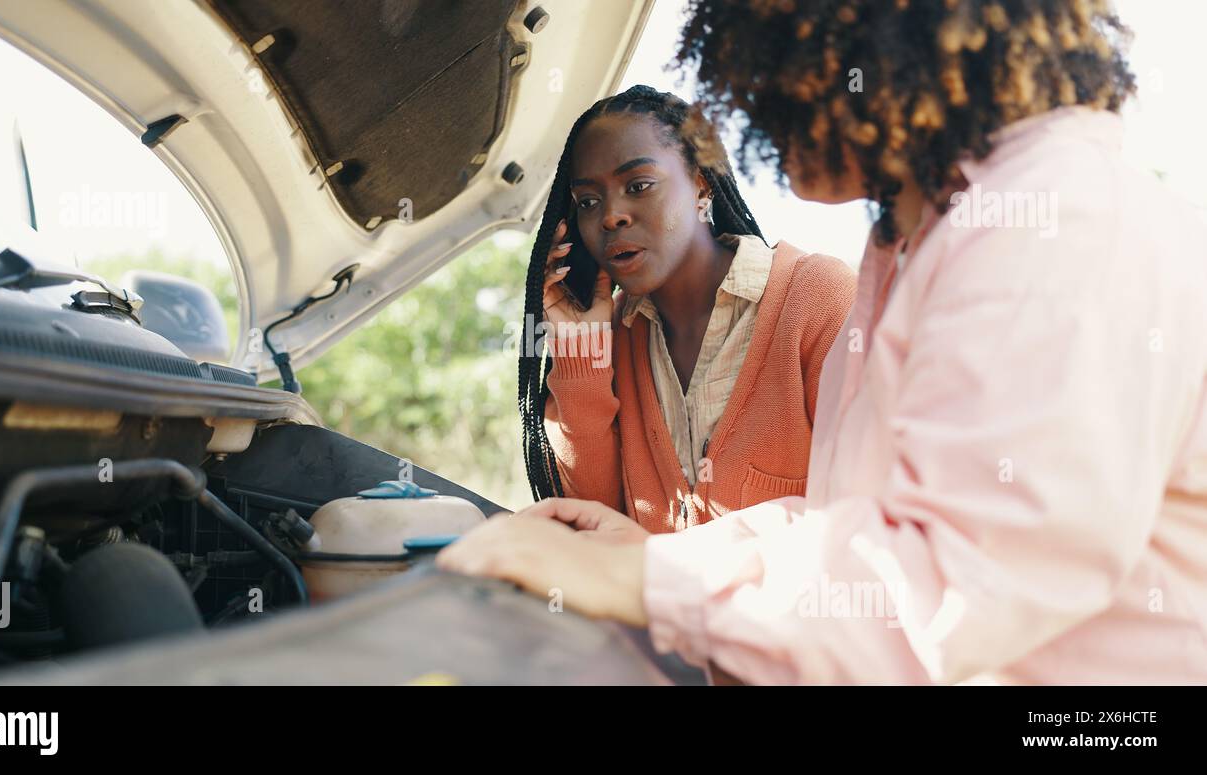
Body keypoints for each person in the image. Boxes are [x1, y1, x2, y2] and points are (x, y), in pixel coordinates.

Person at [442, 0, 1207, 684]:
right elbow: (848, 523)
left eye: (771, 64)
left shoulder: (1052, 224)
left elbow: (951, 583)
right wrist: (652, 558)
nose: (747, 105)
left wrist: (652, 586)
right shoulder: (911, 245)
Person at [519, 85, 855, 533]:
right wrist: (581, 351)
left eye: (638, 185)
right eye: (588, 202)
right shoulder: (613, 338)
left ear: (701, 183)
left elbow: (876, 525)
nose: (611, 216)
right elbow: (595, 527)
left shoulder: (817, 301)